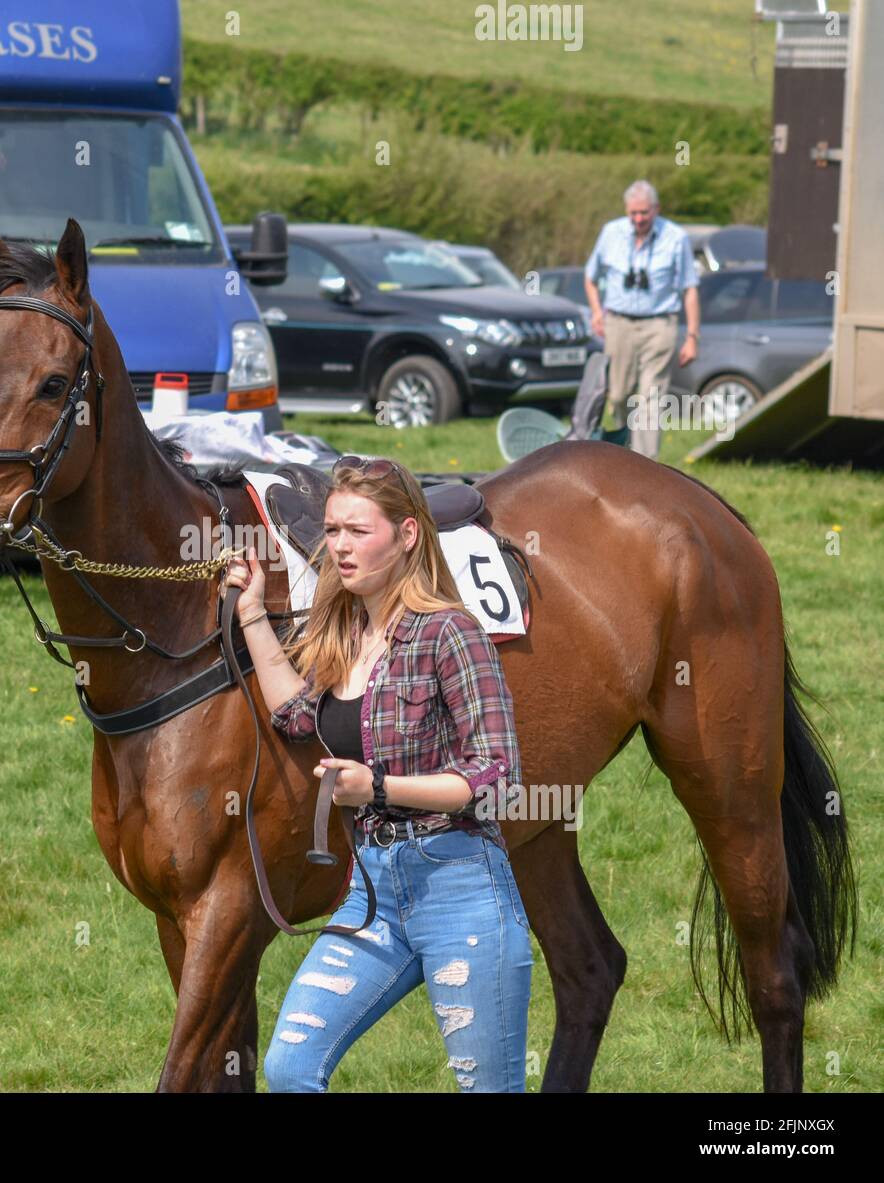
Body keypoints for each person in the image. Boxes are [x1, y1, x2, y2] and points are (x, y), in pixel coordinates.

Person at [223, 454, 531, 1093]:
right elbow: (296, 715)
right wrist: (252, 612)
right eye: (332, 530)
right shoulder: (346, 634)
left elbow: (496, 772)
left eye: (357, 531)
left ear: (408, 534)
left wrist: (381, 788)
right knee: (290, 1068)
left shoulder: (450, 633)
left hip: (461, 888)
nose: (339, 546)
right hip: (373, 895)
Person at [584, 178, 701, 459]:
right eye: (633, 213)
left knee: (651, 398)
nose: (638, 219)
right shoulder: (610, 233)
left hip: (659, 324)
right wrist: (597, 312)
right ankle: (625, 454)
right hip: (619, 324)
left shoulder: (675, 238)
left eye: (644, 213)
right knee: (618, 395)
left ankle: (646, 465)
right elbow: (590, 278)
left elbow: (689, 288)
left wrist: (692, 337)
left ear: (656, 209)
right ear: (626, 211)